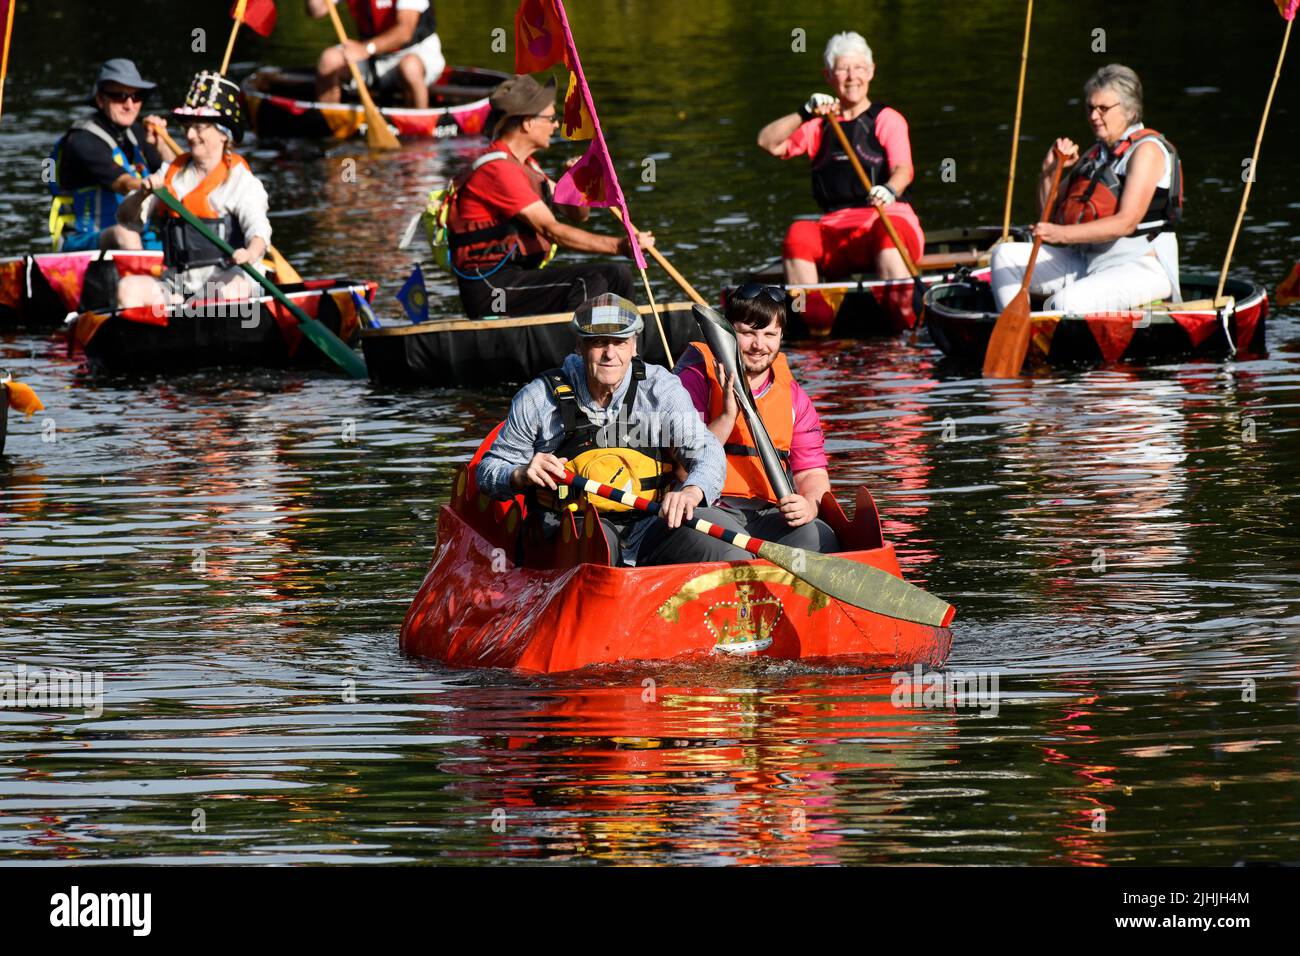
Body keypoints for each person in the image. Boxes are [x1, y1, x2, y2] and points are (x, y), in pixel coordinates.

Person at [476, 294, 753, 567]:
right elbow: (488, 471)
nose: (610, 354)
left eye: (620, 342)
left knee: (725, 540)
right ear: (579, 346)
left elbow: (707, 449)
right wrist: (520, 474)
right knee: (600, 540)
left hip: (649, 528)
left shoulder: (661, 388)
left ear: (634, 346)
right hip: (567, 532)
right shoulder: (538, 397)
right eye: (598, 343)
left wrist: (692, 491)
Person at [444, 74, 654, 319]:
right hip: (491, 290)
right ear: (527, 123)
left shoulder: (529, 166)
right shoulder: (497, 170)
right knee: (592, 281)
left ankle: (625, 347)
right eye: (551, 118)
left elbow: (578, 215)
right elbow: (552, 230)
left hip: (517, 278)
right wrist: (620, 245)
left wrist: (576, 184)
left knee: (618, 275)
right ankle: (580, 352)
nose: (556, 126)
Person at [989, 63, 1183, 313]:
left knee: (1065, 303)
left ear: (1129, 109)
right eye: (1090, 107)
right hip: (1086, 260)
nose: (1093, 116)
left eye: (1103, 108)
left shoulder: (1147, 151)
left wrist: (1061, 235)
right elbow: (1046, 214)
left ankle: (1045, 341)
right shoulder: (1096, 155)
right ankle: (1018, 334)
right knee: (1005, 255)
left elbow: (1126, 223)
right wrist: (1049, 171)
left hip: (1140, 266)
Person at [674, 285, 839, 554]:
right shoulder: (694, 377)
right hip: (708, 507)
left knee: (820, 538)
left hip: (769, 513)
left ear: (781, 336)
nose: (759, 345)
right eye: (748, 333)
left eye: (770, 334)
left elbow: (811, 472)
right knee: (735, 551)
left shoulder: (795, 397)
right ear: (727, 333)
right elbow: (681, 465)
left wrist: (809, 504)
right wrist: (728, 416)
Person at [757, 31, 923, 285]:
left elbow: (904, 169)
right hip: (836, 234)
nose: (852, 76)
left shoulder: (887, 119)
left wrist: (889, 189)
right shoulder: (818, 125)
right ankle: (814, 319)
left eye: (859, 68)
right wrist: (805, 112)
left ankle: (901, 318)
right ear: (828, 76)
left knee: (886, 232)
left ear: (871, 72)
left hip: (888, 223)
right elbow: (767, 142)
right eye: (843, 69)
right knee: (798, 234)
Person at [115, 72, 272, 310]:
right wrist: (142, 195)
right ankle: (153, 340)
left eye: (199, 127)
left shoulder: (242, 182)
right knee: (128, 289)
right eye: (188, 127)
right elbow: (125, 219)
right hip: (178, 287)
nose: (189, 135)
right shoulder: (170, 173)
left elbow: (259, 231)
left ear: (223, 134)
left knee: (229, 291)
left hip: (229, 280)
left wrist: (250, 253)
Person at [47, 59, 178, 252]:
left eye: (136, 96)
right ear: (100, 99)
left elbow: (178, 174)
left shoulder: (139, 133)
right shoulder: (82, 141)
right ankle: (140, 279)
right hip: (82, 241)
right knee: (125, 234)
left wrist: (161, 144)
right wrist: (151, 185)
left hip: (139, 237)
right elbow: (124, 185)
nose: (129, 105)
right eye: (119, 96)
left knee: (183, 238)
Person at [307, 0, 445, 110]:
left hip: (414, 52)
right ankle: (332, 125)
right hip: (373, 57)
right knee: (329, 60)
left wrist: (366, 49)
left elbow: (405, 31)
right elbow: (316, 10)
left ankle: (421, 130)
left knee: (410, 67)